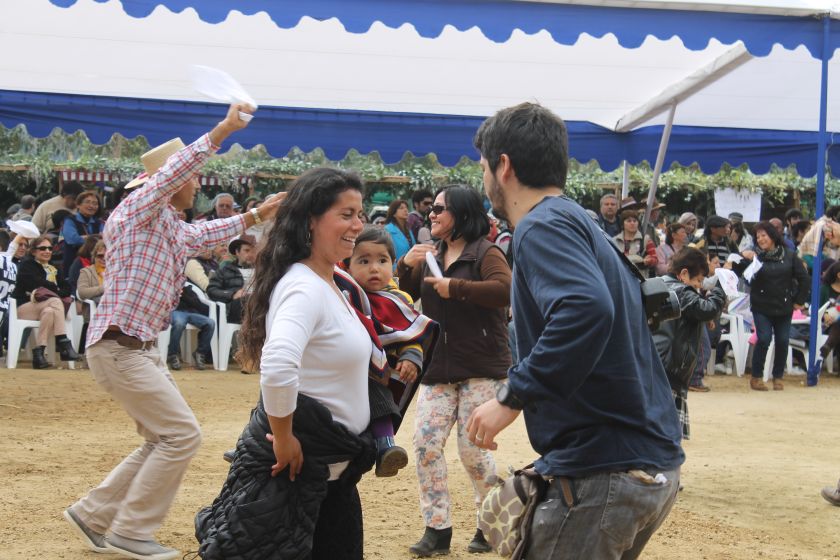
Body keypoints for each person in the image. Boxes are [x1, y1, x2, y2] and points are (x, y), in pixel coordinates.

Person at [63, 103, 281, 560]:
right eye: (189, 176)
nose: (195, 183)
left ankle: (95, 513)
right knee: (181, 436)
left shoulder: (167, 226)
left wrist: (257, 214)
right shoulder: (136, 210)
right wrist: (222, 130)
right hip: (121, 348)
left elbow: (210, 233)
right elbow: (171, 175)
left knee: (165, 437)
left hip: (134, 350)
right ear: (170, 180)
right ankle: (130, 531)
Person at [467, 102, 683, 560]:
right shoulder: (579, 220)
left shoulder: (542, 226)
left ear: (503, 166)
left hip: (603, 470)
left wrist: (512, 396)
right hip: (636, 461)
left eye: (483, 165)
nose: (483, 176)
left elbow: (585, 309)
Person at [195, 167, 375, 559]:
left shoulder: (328, 281)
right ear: (311, 220)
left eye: (359, 214)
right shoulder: (304, 286)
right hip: (299, 476)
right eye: (346, 214)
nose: (357, 225)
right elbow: (277, 365)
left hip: (326, 479)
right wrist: (285, 436)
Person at [396, 185, 512, 557]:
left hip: (482, 368)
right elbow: (406, 293)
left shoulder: (486, 251)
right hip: (438, 368)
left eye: (440, 208)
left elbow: (505, 291)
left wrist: (456, 287)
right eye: (431, 208)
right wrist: (406, 266)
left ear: (460, 213)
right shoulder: (433, 253)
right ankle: (437, 528)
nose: (431, 214)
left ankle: (489, 524)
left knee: (473, 453)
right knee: (425, 445)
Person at [345, 226, 437, 477]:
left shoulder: (400, 299)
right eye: (364, 261)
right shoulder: (344, 294)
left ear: (393, 263)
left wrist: (411, 357)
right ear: (347, 265)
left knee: (379, 396)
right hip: (341, 368)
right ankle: (257, 443)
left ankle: (386, 447)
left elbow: (411, 334)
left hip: (378, 371)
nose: (374, 268)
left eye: (382, 260)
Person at [652, 248, 727, 437]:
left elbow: (689, 313)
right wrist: (722, 288)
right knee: (667, 433)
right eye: (699, 281)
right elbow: (707, 308)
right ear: (684, 274)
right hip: (672, 366)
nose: (699, 286)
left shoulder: (658, 286)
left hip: (654, 363)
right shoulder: (680, 290)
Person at [747, 221, 810, 391]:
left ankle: (778, 376)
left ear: (772, 236)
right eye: (757, 237)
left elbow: (804, 279)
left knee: (782, 341)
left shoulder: (789, 255)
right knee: (764, 338)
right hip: (761, 306)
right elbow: (746, 278)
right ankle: (756, 377)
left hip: (784, 306)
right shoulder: (755, 258)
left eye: (763, 235)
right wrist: (742, 258)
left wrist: (798, 300)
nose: (760, 239)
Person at [12, 236, 81, 368]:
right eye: (43, 248)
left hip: (47, 307)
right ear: (33, 251)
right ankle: (63, 341)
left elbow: (67, 289)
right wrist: (55, 289)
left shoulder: (54, 268)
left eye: (50, 248)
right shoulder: (27, 265)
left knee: (50, 311)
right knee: (55, 301)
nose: (47, 251)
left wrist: (52, 290)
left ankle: (39, 355)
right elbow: (37, 284)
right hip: (23, 308)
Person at [207, 234, 256, 324]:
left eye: (254, 251)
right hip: (237, 308)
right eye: (247, 250)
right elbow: (211, 290)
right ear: (237, 252)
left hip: (259, 307)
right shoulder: (226, 270)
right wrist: (232, 294)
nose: (251, 254)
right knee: (244, 300)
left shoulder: (262, 270)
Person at [166, 284, 215, 371]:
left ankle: (200, 353)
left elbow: (199, 304)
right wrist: (176, 295)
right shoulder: (168, 287)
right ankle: (172, 354)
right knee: (179, 323)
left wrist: (185, 295)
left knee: (210, 323)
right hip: (176, 311)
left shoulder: (189, 289)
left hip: (192, 313)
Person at [62, 190, 105, 275]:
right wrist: (94, 238)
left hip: (95, 264)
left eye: (95, 203)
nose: (91, 206)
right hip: (74, 262)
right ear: (78, 205)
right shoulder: (70, 220)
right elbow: (72, 239)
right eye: (87, 202)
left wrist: (84, 237)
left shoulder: (99, 222)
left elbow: (104, 240)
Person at [76, 239, 107, 350]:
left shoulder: (116, 272)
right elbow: (82, 292)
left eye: (107, 255)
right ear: (94, 256)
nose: (104, 258)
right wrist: (102, 289)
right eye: (100, 256)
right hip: (93, 310)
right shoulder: (86, 272)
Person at [613, 209, 658, 277]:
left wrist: (649, 261)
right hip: (621, 278)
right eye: (629, 221)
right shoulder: (615, 240)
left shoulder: (646, 239)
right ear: (622, 224)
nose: (632, 223)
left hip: (640, 279)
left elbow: (655, 260)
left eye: (635, 221)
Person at [384, 199, 416, 267]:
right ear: (394, 213)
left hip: (410, 269)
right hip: (395, 271)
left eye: (406, 208)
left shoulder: (408, 230)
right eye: (401, 208)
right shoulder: (387, 230)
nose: (405, 210)